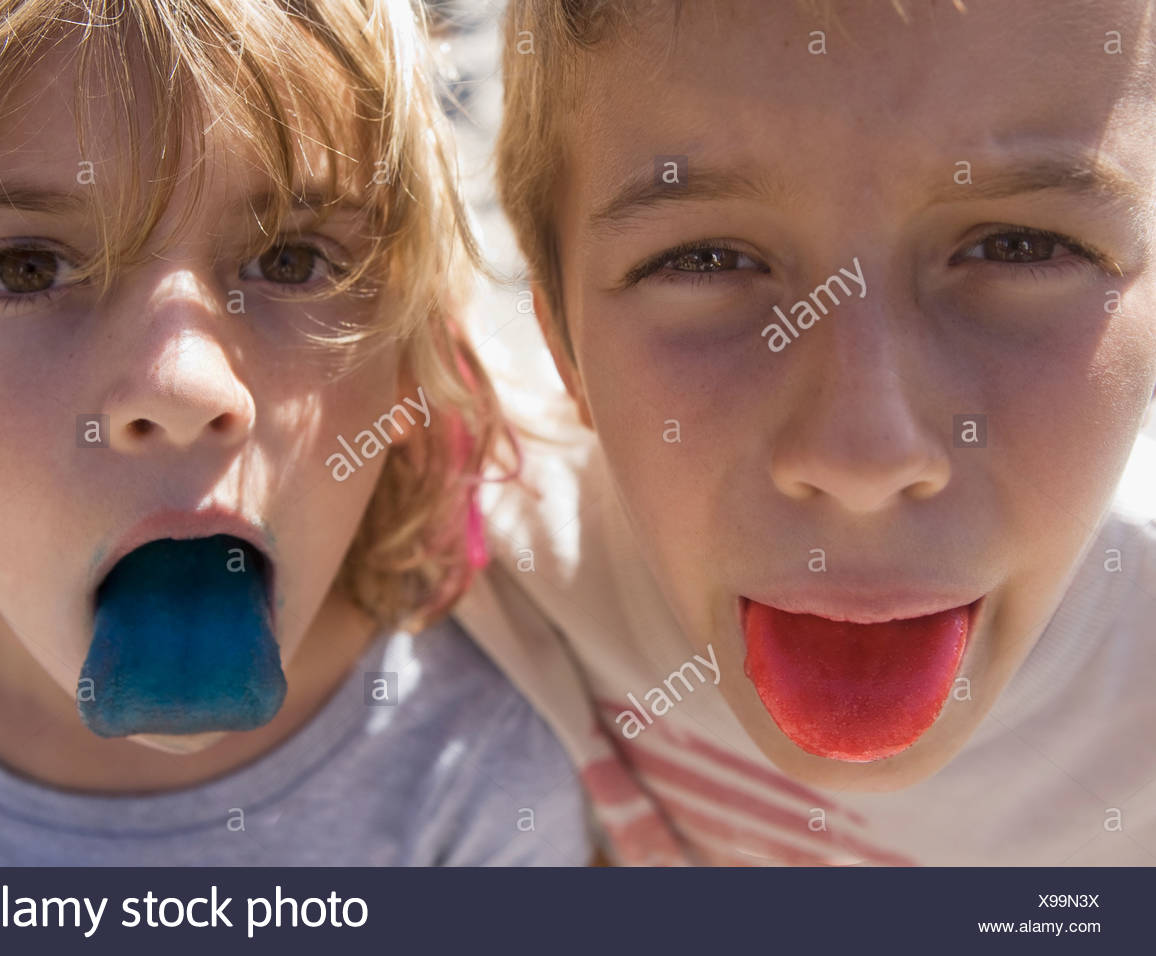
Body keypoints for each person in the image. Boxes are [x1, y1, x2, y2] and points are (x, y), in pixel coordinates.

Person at [0, 0, 590, 866]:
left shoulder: (484, 765)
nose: (185, 386)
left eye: (290, 261)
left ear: (407, 363)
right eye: (26, 267)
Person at [464, 0, 1156, 864]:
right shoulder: (472, 565)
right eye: (706, 260)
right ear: (564, 350)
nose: (862, 457)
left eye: (1018, 247)